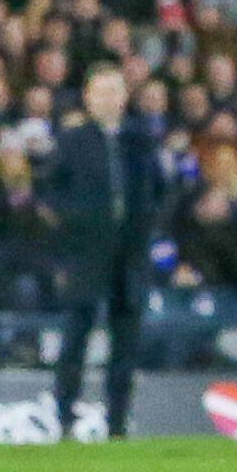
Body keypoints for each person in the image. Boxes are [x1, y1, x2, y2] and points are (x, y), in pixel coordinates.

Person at [42, 62, 160, 441]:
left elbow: (161, 188)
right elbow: (48, 191)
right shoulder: (73, 142)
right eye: (102, 91)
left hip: (130, 255)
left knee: (126, 341)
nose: (110, 99)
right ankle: (64, 419)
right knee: (75, 337)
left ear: (125, 97)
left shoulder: (141, 141)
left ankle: (118, 423)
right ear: (88, 98)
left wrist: (148, 227)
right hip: (86, 255)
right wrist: (74, 224)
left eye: (116, 90)